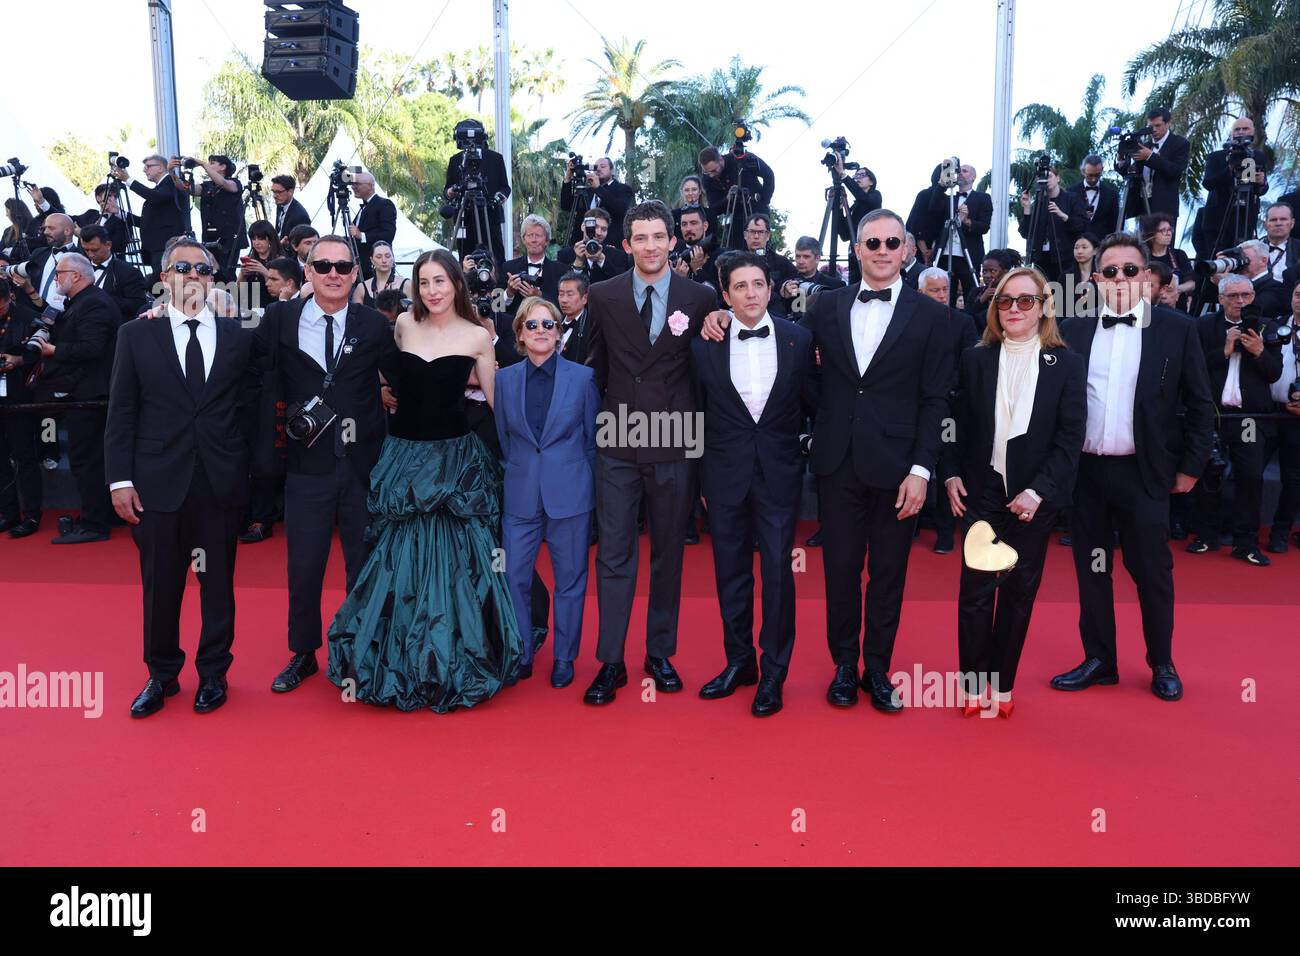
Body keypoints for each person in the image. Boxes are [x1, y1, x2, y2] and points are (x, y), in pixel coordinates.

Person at [704, 208, 953, 713]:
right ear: (856, 250)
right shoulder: (823, 308)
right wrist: (721, 315)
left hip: (900, 468)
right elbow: (801, 379)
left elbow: (935, 401)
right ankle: (843, 666)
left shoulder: (934, 317)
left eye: (892, 243)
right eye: (872, 243)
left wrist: (922, 470)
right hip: (836, 464)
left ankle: (877, 670)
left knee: (888, 573)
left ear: (906, 250)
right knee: (839, 570)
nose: (882, 251)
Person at [326, 248, 523, 710]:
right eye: (425, 282)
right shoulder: (403, 326)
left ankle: (460, 656)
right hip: (404, 458)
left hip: (455, 462)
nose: (433, 291)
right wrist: (381, 391)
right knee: (395, 561)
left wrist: (526, 455)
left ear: (456, 283)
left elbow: (496, 402)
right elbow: (389, 375)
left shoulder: (478, 335)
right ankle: (396, 656)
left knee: (462, 565)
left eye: (441, 281)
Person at [1052, 232, 1214, 702]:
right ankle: (1100, 659)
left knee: (1152, 572)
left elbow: (1202, 407)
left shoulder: (1177, 329)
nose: (1119, 279)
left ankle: (1161, 661)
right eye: (1110, 271)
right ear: (1097, 279)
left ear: (1147, 277)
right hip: (1087, 474)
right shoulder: (1072, 328)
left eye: (1129, 270)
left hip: (1145, 475)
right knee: (1092, 570)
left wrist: (1190, 468)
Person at [106, 238, 255, 717]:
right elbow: (121, 413)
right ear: (164, 276)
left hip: (218, 481)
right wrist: (119, 481)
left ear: (214, 279)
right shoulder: (135, 334)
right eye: (182, 267)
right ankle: (162, 675)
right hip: (156, 482)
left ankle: (214, 673)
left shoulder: (239, 335)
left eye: (202, 269)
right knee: (161, 583)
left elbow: (248, 408)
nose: (193, 275)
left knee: (217, 585)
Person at [583, 200, 717, 705]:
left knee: (668, 554)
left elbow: (709, 374)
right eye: (641, 238)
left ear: (672, 241)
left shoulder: (699, 297)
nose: (651, 246)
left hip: (675, 440)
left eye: (659, 236)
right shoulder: (602, 295)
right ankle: (611, 661)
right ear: (626, 245)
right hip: (617, 439)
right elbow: (590, 368)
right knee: (614, 556)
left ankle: (659, 653)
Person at [254, 236, 399, 694]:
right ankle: (303, 653)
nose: (333, 273)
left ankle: (360, 649)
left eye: (342, 266)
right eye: (323, 265)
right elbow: (249, 370)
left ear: (355, 273)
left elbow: (407, 378)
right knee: (304, 564)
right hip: (305, 463)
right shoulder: (279, 319)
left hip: (362, 465)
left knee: (363, 563)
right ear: (309, 271)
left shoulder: (375, 325)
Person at [943, 267, 1086, 717]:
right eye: (1006, 301)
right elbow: (955, 426)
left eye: (1027, 300)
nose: (1015, 309)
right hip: (983, 493)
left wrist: (1038, 491)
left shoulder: (1065, 363)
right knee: (975, 592)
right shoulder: (976, 359)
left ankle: (1001, 687)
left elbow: (1070, 437)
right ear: (995, 308)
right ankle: (972, 687)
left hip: (1033, 500)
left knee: (1019, 593)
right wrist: (949, 474)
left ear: (1044, 307)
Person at [691, 252, 816, 717]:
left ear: (769, 288)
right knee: (731, 575)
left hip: (780, 476)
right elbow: (696, 415)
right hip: (723, 477)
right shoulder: (705, 343)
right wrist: (700, 476)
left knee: (780, 576)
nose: (750, 294)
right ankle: (738, 662)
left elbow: (815, 401)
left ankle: (774, 673)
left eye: (757, 285)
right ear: (725, 295)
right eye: (739, 287)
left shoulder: (799, 340)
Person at [496, 297, 600, 688]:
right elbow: (506, 439)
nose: (541, 331)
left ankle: (564, 657)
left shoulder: (583, 378)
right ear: (520, 333)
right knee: (513, 578)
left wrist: (581, 485)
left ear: (560, 332)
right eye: (532, 325)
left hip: (570, 496)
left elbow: (592, 442)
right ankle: (522, 651)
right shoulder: (505, 380)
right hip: (520, 494)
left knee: (570, 580)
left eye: (549, 325)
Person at [1186, 273, 1285, 565]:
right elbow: (1192, 370)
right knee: (1207, 476)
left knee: (1250, 479)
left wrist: (1259, 353)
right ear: (1220, 299)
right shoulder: (1203, 325)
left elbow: (1274, 374)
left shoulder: (1269, 327)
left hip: (1249, 419)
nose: (1240, 302)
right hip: (1213, 416)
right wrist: (1224, 352)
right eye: (1233, 296)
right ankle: (1207, 535)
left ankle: (1246, 543)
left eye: (1246, 295)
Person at [29, 253, 118, 544]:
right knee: (89, 458)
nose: (55, 279)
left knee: (86, 459)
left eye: (59, 273)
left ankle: (95, 522)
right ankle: (99, 514)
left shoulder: (94, 303)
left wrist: (54, 351)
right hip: (83, 392)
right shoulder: (82, 302)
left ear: (76, 276)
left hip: (91, 394)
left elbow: (92, 348)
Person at [918, 265, 978, 554]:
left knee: (946, 467)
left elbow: (968, 365)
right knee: (909, 464)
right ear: (921, 292)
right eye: (935, 290)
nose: (942, 296)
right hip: (913, 405)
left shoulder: (964, 322)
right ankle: (910, 526)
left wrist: (943, 390)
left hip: (951, 407)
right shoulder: (908, 321)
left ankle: (945, 532)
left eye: (945, 290)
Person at [0, 279, 43, 537]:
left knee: (26, 457)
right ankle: (9, 512)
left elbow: (41, 353)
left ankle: (32, 515)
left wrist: (19, 360)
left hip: (20, 396)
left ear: (10, 298)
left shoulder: (29, 318)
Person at [111, 154, 192, 281]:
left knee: (161, 284)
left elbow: (153, 196)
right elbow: (146, 222)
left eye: (148, 166)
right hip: (156, 248)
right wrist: (119, 213)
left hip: (165, 246)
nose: (145, 170)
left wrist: (128, 180)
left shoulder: (170, 183)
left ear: (160, 168)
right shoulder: (160, 188)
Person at [1196, 116, 1270, 257]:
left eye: (1245, 129)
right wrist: (1229, 168)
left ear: (1253, 132)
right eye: (1237, 129)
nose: (1241, 132)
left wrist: (1262, 182)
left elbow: (1260, 191)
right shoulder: (1216, 157)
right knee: (1217, 259)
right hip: (1218, 219)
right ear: (1232, 133)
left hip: (1245, 218)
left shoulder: (1258, 157)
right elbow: (1208, 183)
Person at [443, 119, 510, 262]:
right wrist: (450, 192)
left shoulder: (495, 159)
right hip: (464, 218)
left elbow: (505, 187)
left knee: (496, 257)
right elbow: (447, 189)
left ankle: (498, 283)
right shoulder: (455, 161)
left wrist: (498, 198)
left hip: (490, 215)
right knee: (465, 258)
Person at [1265, 283, 1300, 553]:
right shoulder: (1273, 325)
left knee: (1292, 477)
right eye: (1298, 294)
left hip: (1296, 417)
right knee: (1248, 471)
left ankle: (1281, 531)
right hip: (1265, 411)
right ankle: (1238, 528)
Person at [928, 163, 993, 307]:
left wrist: (966, 221)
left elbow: (984, 227)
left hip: (969, 255)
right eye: (959, 171)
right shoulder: (948, 198)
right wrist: (941, 184)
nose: (961, 173)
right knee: (944, 296)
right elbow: (933, 208)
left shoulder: (982, 198)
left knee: (972, 294)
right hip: (945, 254)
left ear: (974, 177)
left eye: (965, 171)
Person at [173, 155, 245, 280]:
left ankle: (230, 297)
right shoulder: (206, 186)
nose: (209, 165)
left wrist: (202, 164)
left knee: (226, 273)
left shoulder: (235, 183)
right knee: (211, 271)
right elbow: (185, 189)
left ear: (223, 167)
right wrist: (171, 171)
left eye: (212, 163)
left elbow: (222, 182)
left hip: (229, 238)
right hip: (209, 236)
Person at [1120, 107, 1191, 228]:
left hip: (1165, 207)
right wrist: (1121, 159)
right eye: (1150, 126)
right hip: (1143, 205)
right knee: (1143, 244)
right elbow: (1132, 172)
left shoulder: (1180, 143)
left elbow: (1175, 170)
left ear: (1168, 124)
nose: (1153, 130)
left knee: (1163, 244)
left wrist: (1150, 156)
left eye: (1158, 125)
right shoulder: (1145, 145)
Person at [1018, 165, 1087, 283]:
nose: (1046, 180)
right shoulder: (1039, 202)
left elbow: (1082, 225)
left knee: (1066, 295)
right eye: (1043, 178)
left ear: (1058, 178)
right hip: (1042, 259)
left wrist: (1062, 215)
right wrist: (1027, 208)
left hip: (1066, 258)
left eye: (1049, 176)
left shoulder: (1071, 198)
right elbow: (1026, 233)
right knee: (1045, 294)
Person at [699, 145, 775, 250]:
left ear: (720, 160)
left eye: (713, 170)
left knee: (760, 250)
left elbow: (769, 175)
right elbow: (714, 208)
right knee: (736, 254)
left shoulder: (739, 159)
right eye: (707, 172)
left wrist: (764, 201)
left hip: (757, 209)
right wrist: (727, 199)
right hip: (735, 218)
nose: (711, 175)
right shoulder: (707, 179)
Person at [79, 224, 148, 326]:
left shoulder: (129, 272)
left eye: (95, 250)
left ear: (108, 245)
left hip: (111, 330)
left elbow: (138, 304)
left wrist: (102, 299)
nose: (90, 255)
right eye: (86, 250)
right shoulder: (78, 268)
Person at [560, 157, 635, 249]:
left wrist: (598, 188)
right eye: (596, 167)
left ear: (612, 171)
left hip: (610, 247)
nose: (598, 169)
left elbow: (620, 209)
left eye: (603, 166)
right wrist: (568, 179)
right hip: (582, 246)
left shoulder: (623, 189)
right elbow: (566, 205)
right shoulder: (586, 192)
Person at [501, 215, 563, 312]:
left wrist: (540, 297)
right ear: (524, 240)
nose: (534, 240)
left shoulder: (560, 271)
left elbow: (565, 306)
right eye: (530, 235)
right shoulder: (508, 267)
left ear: (547, 241)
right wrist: (509, 293)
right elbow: (495, 306)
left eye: (538, 235)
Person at [741, 213, 798, 317]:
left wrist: (783, 288)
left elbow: (798, 286)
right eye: (752, 232)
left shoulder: (782, 262)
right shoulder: (734, 262)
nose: (756, 236)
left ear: (768, 236)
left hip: (775, 316)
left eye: (761, 232)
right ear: (745, 235)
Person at [778, 236, 846, 318]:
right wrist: (783, 296)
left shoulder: (835, 286)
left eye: (806, 257)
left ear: (817, 258)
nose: (800, 261)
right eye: (798, 256)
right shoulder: (785, 284)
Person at [556, 206, 630, 281]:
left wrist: (602, 260)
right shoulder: (564, 254)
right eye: (595, 227)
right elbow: (562, 287)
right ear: (583, 226)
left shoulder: (618, 256)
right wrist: (578, 262)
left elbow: (623, 283)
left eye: (603, 229)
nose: (598, 232)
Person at [348, 173, 397, 281]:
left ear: (370, 185)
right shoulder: (364, 207)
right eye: (352, 184)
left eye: (357, 184)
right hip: (361, 268)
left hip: (375, 269)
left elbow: (388, 234)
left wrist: (362, 235)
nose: (353, 187)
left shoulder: (384, 204)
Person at [1141, 213, 1194, 309]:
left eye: (1170, 230)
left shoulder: (1179, 255)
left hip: (1177, 310)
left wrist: (1174, 289)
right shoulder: (1142, 258)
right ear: (1152, 234)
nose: (1169, 233)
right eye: (1163, 230)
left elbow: (1192, 283)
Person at [1065, 155, 1121, 237]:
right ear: (1083, 171)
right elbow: (1068, 220)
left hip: (1102, 244)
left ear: (1101, 170)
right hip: (1077, 242)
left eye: (1097, 175)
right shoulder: (1071, 192)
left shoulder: (1112, 194)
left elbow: (1114, 224)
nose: (1094, 179)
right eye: (1090, 175)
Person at [351, 240, 410, 307]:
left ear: (393, 258)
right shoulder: (361, 288)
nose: (384, 260)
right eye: (379, 257)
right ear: (372, 260)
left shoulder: (407, 284)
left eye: (387, 256)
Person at [238, 220, 281, 311]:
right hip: (250, 308)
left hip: (271, 308)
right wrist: (242, 274)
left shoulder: (280, 260)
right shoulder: (250, 259)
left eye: (261, 238)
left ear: (270, 239)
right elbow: (238, 290)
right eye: (253, 239)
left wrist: (264, 272)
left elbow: (280, 291)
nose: (256, 243)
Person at [1261, 202, 1298, 294]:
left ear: (1292, 223)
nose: (1278, 223)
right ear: (1265, 224)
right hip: (1258, 303)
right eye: (1273, 220)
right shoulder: (1251, 248)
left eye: (1283, 219)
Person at [557, 270, 593, 365]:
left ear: (584, 298)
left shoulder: (592, 326)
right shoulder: (553, 321)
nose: (564, 300)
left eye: (570, 294)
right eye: (561, 294)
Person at [672, 175, 718, 239]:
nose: (690, 193)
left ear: (699, 191)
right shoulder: (674, 215)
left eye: (694, 189)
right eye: (687, 190)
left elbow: (713, 239)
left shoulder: (710, 214)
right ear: (682, 192)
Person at [271, 175, 310, 240]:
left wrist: (284, 245)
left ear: (290, 192)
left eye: (278, 192)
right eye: (273, 192)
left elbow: (302, 244)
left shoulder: (300, 216)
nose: (274, 196)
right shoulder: (280, 203)